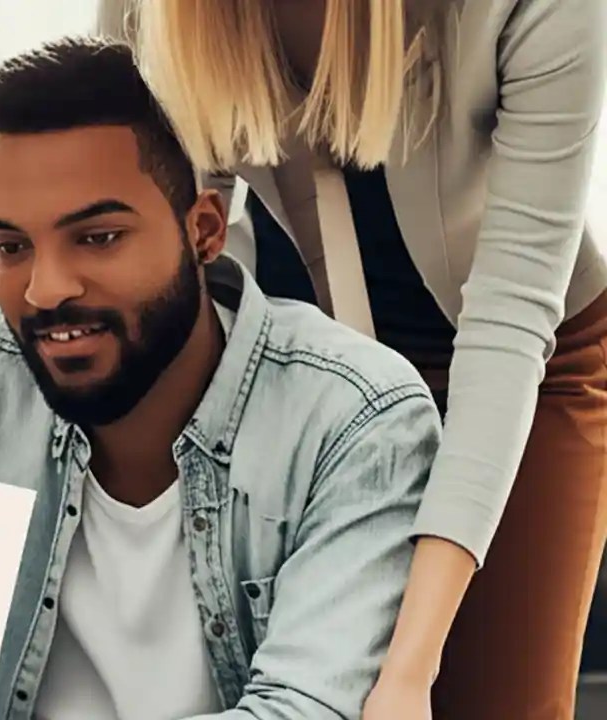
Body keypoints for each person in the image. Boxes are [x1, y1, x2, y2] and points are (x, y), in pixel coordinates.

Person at [0, 37, 440, 719]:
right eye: (11, 247)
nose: (45, 289)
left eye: (97, 237)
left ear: (205, 231)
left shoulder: (355, 421)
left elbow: (303, 711)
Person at [135, 0, 607, 717]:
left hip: (529, 361)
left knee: (491, 699)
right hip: (323, 365)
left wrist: (410, 673)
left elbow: (509, 320)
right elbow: (171, 240)